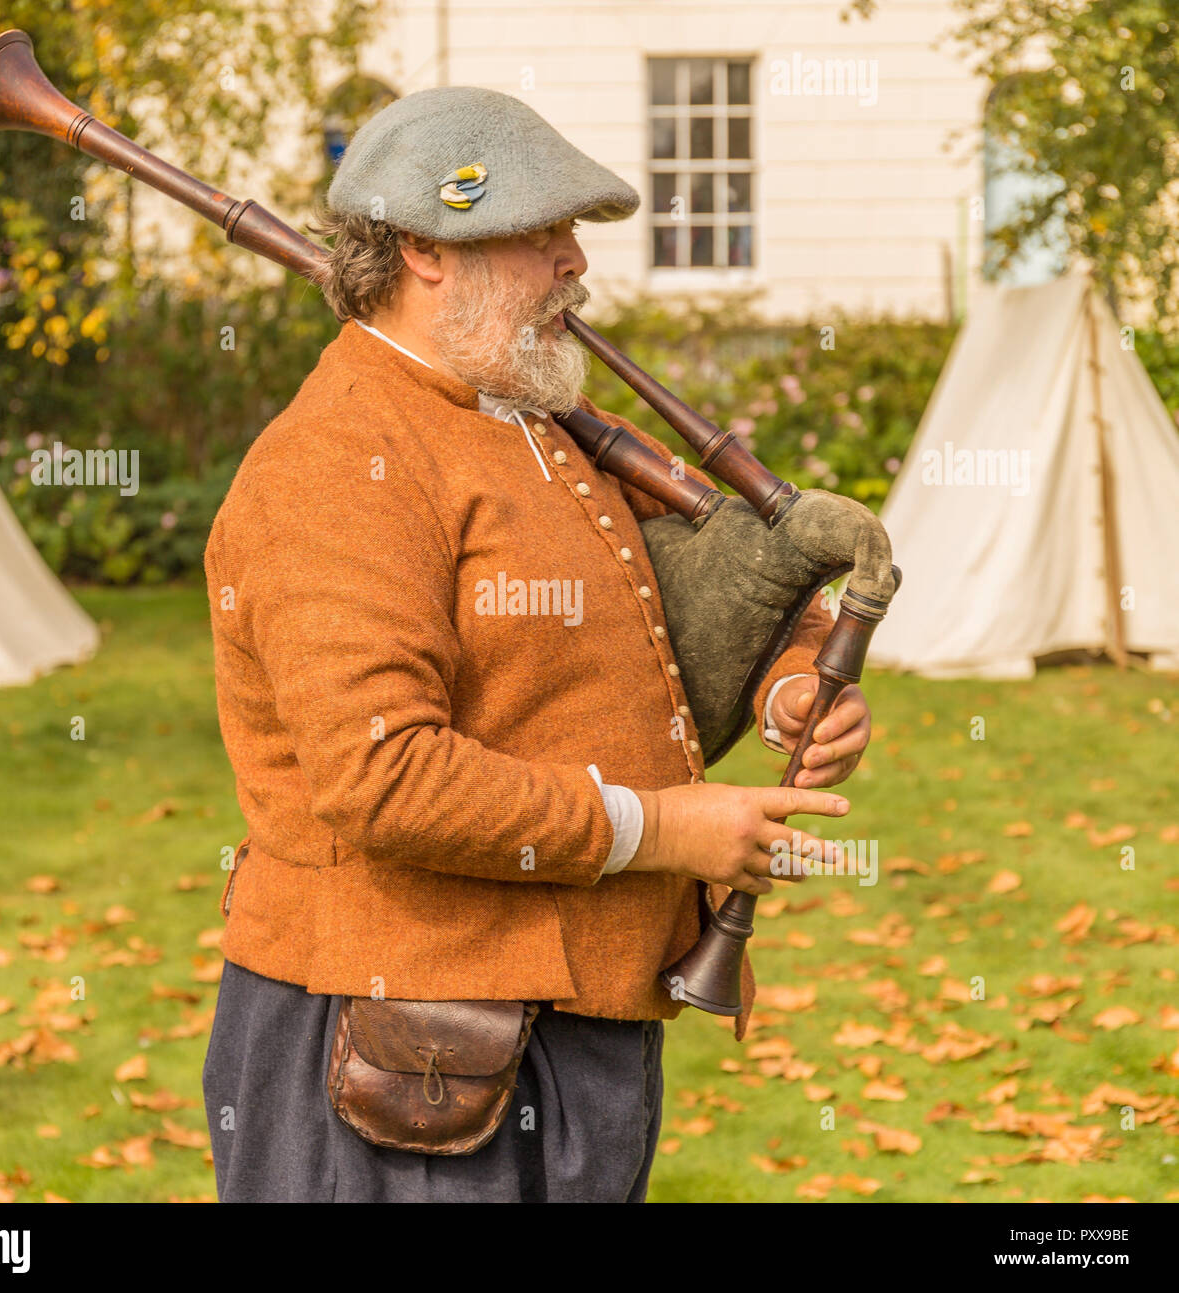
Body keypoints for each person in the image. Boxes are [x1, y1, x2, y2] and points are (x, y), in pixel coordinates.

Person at [201, 85, 871, 1203]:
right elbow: (384, 778)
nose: (576, 264)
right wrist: (664, 828)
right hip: (399, 1049)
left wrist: (790, 692)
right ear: (423, 248)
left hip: (562, 1027)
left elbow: (706, 588)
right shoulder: (338, 459)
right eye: (542, 234)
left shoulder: (525, 419)